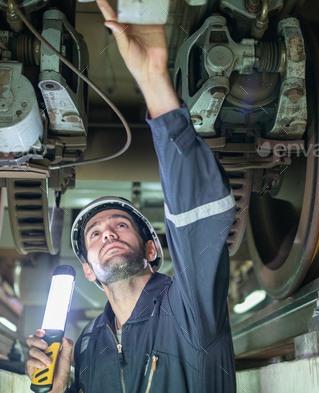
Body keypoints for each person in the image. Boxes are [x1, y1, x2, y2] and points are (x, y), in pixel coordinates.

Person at [26, 0, 237, 391]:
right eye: (95, 234)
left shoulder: (188, 308)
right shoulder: (89, 345)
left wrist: (153, 79)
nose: (107, 233)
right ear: (88, 271)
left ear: (151, 250)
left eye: (120, 225)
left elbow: (199, 219)